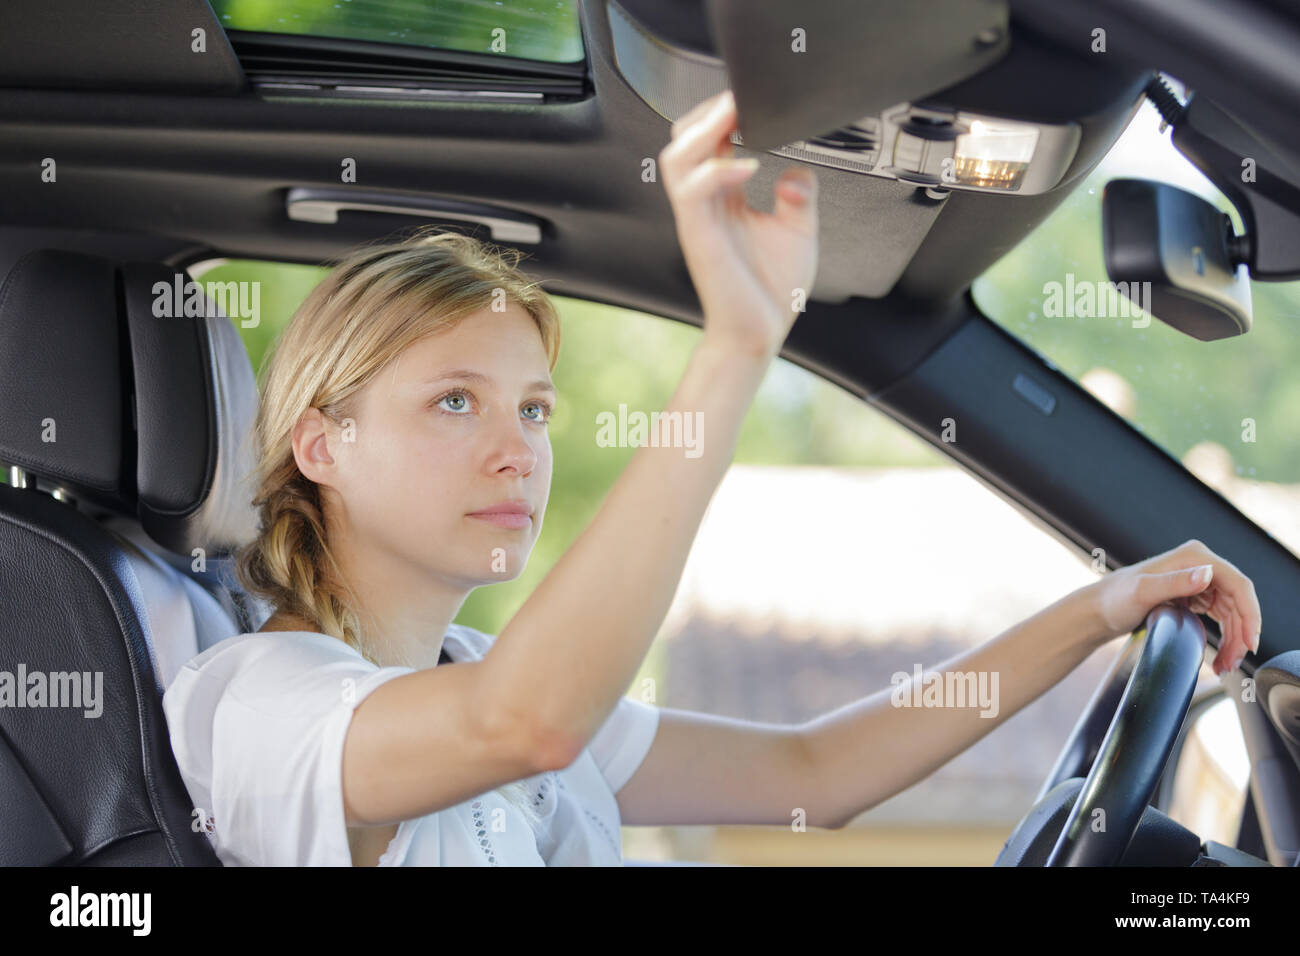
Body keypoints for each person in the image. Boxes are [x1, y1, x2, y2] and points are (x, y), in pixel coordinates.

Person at [161, 89, 1261, 867]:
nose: (518, 448)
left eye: (534, 407)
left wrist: (1101, 607)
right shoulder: (258, 701)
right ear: (319, 443)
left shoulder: (471, 668)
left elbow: (814, 772)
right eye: (455, 400)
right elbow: (522, 724)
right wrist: (737, 345)